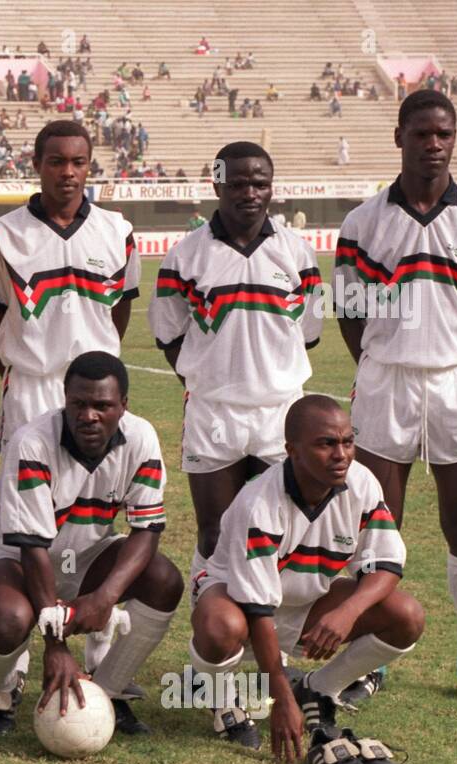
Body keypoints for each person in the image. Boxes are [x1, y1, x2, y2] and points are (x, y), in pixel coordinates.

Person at [334, 90, 457, 711]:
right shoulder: (362, 224)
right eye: (421, 134)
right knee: (378, 525)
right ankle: (370, 659)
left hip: (456, 383)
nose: (433, 144)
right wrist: (386, 356)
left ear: (453, 139)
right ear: (400, 138)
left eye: (443, 134)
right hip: (385, 380)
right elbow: (351, 316)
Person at [190, 396, 421, 764]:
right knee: (221, 626)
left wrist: (347, 613)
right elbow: (258, 609)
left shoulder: (361, 482)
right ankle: (220, 696)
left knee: (406, 615)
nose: (341, 454)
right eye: (326, 443)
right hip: (238, 604)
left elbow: (386, 565)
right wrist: (279, 698)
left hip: (305, 601)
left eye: (348, 441)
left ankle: (318, 690)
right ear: (291, 450)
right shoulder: (258, 502)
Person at [0, 352, 182, 735]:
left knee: (163, 577)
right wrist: (55, 646)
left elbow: (147, 529)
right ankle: (1, 688)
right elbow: (32, 547)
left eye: (102, 406)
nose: (88, 416)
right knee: (11, 618)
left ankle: (106, 691)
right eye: (79, 404)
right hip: (18, 556)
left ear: (123, 407)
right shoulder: (31, 443)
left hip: (87, 555)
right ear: (64, 400)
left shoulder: (141, 437)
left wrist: (104, 597)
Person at [148, 141, 321, 596]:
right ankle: (211, 647)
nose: (250, 192)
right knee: (216, 533)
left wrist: (265, 375)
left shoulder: (298, 254)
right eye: (239, 182)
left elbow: (307, 334)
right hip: (213, 413)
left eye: (260, 183)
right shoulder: (185, 256)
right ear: (217, 184)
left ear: (272, 188)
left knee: (281, 531)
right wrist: (210, 379)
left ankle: (271, 646)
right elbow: (169, 335)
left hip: (280, 413)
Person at [0, 120, 140, 456]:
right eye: (56, 162)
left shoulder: (117, 231)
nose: (68, 172)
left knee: (93, 498)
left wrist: (97, 362)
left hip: (97, 390)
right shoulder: (3, 234)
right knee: (26, 499)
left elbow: (119, 310)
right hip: (30, 386)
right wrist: (16, 370)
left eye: (78, 162)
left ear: (88, 166)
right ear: (37, 165)